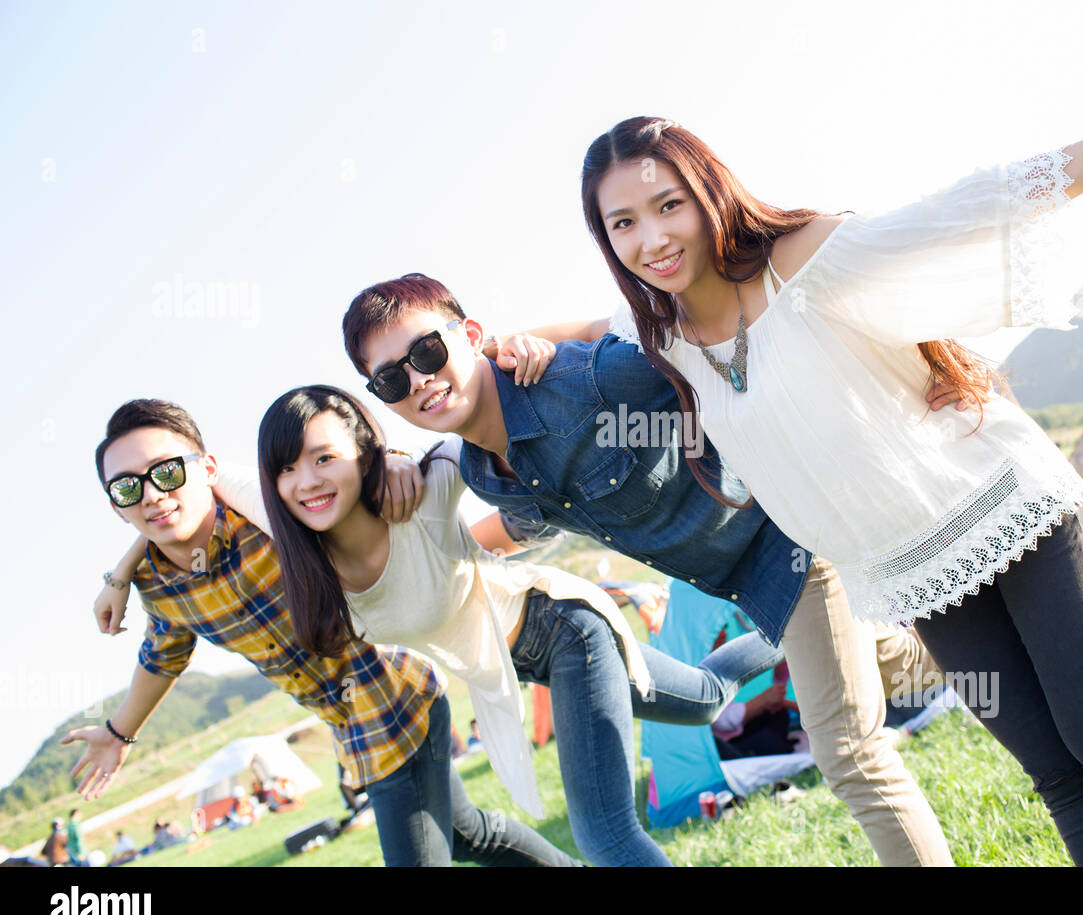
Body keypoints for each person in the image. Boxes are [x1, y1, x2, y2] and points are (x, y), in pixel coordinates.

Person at [570, 45, 1083, 865]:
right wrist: (504, 350)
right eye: (622, 222)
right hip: (916, 570)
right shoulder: (659, 338)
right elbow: (577, 333)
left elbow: (969, 207)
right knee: (1063, 777)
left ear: (707, 192)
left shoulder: (802, 260)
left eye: (667, 205)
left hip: (1009, 506)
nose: (651, 237)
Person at [340, 273, 957, 865]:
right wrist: (394, 460)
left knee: (849, 754)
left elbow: (690, 336)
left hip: (790, 538)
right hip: (749, 588)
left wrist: (912, 365)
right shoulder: (481, 474)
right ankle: (977, 655)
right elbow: (515, 527)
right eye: (392, 380)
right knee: (903, 665)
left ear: (470, 335)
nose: (418, 380)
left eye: (427, 350)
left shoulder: (582, 382)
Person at [248, 385, 787, 866]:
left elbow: (473, 436)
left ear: (363, 457)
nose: (307, 481)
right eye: (287, 467)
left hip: (564, 630)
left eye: (324, 457)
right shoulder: (302, 554)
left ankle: (801, 607)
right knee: (708, 698)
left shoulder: (416, 499)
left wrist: (396, 455)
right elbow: (209, 479)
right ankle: (793, 621)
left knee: (606, 837)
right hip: (534, 662)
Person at [78, 399, 579, 868]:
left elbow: (338, 480)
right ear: (114, 505)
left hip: (395, 698)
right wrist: (118, 732)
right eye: (127, 488)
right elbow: (162, 654)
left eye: (166, 473)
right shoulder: (155, 583)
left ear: (205, 468)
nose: (152, 495)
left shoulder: (274, 516)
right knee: (472, 834)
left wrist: (395, 459)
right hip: (348, 724)